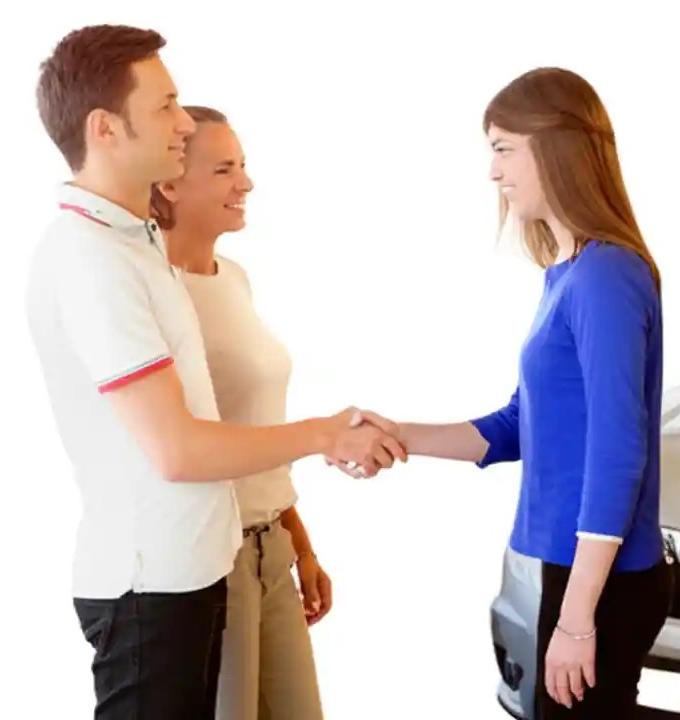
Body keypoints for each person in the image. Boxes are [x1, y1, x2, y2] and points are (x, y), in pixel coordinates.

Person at [25, 25, 404, 720]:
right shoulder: (92, 260)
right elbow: (179, 450)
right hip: (148, 589)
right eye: (166, 106)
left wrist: (292, 537)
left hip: (194, 574)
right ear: (105, 128)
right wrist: (325, 434)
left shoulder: (131, 244)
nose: (181, 122)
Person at [351, 67, 673, 718]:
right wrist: (395, 434)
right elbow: (517, 428)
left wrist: (579, 619)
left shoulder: (605, 276)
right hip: (551, 565)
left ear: (557, 147)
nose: (493, 173)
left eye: (503, 149)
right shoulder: (568, 274)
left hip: (592, 583)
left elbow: (618, 453)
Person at [150, 105, 328, 720]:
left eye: (243, 166)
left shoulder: (236, 278)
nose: (245, 183)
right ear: (170, 182)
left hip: (270, 548)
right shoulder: (154, 293)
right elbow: (182, 447)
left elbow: (252, 431)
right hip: (210, 564)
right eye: (225, 169)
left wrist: (300, 545)